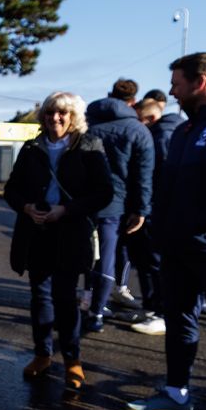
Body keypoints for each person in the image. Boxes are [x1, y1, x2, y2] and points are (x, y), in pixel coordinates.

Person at [126, 52, 206, 410]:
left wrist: (198, 224)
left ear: (200, 82)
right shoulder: (189, 127)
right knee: (180, 318)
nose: (172, 92)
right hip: (179, 245)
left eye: (176, 84)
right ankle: (176, 394)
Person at [4, 92, 112, 390]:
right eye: (51, 112)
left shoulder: (89, 146)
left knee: (66, 299)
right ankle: (42, 354)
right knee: (40, 298)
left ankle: (73, 361)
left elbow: (104, 193)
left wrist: (66, 210)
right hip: (36, 232)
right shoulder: (31, 147)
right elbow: (12, 189)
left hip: (70, 232)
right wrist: (26, 207)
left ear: (74, 116)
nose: (55, 118)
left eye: (63, 113)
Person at [83, 82, 153, 333]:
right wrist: (141, 209)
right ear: (133, 101)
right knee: (107, 258)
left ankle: (86, 298)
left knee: (85, 254)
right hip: (116, 205)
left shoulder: (88, 125)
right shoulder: (137, 130)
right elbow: (143, 175)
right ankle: (96, 312)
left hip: (83, 202)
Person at [126, 96, 181, 335]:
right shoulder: (161, 134)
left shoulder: (163, 137)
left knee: (155, 264)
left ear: (150, 118)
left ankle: (161, 313)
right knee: (147, 263)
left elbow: (161, 178)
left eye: (140, 121)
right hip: (150, 209)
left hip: (156, 211)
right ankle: (151, 308)